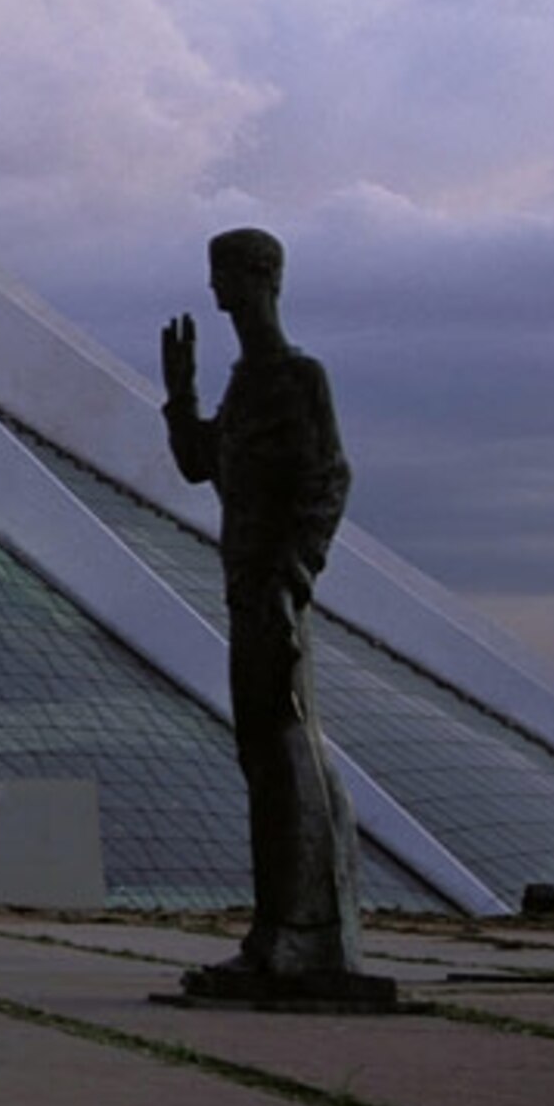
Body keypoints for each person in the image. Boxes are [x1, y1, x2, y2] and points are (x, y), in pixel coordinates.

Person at [162, 226, 367, 988]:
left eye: (225, 276)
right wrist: (179, 395)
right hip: (245, 586)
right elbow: (199, 465)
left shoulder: (295, 377)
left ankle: (305, 932)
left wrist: (292, 575)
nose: (215, 292)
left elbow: (329, 480)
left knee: (286, 750)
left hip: (273, 589)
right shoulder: (245, 383)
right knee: (263, 752)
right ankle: (281, 928)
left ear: (261, 278)